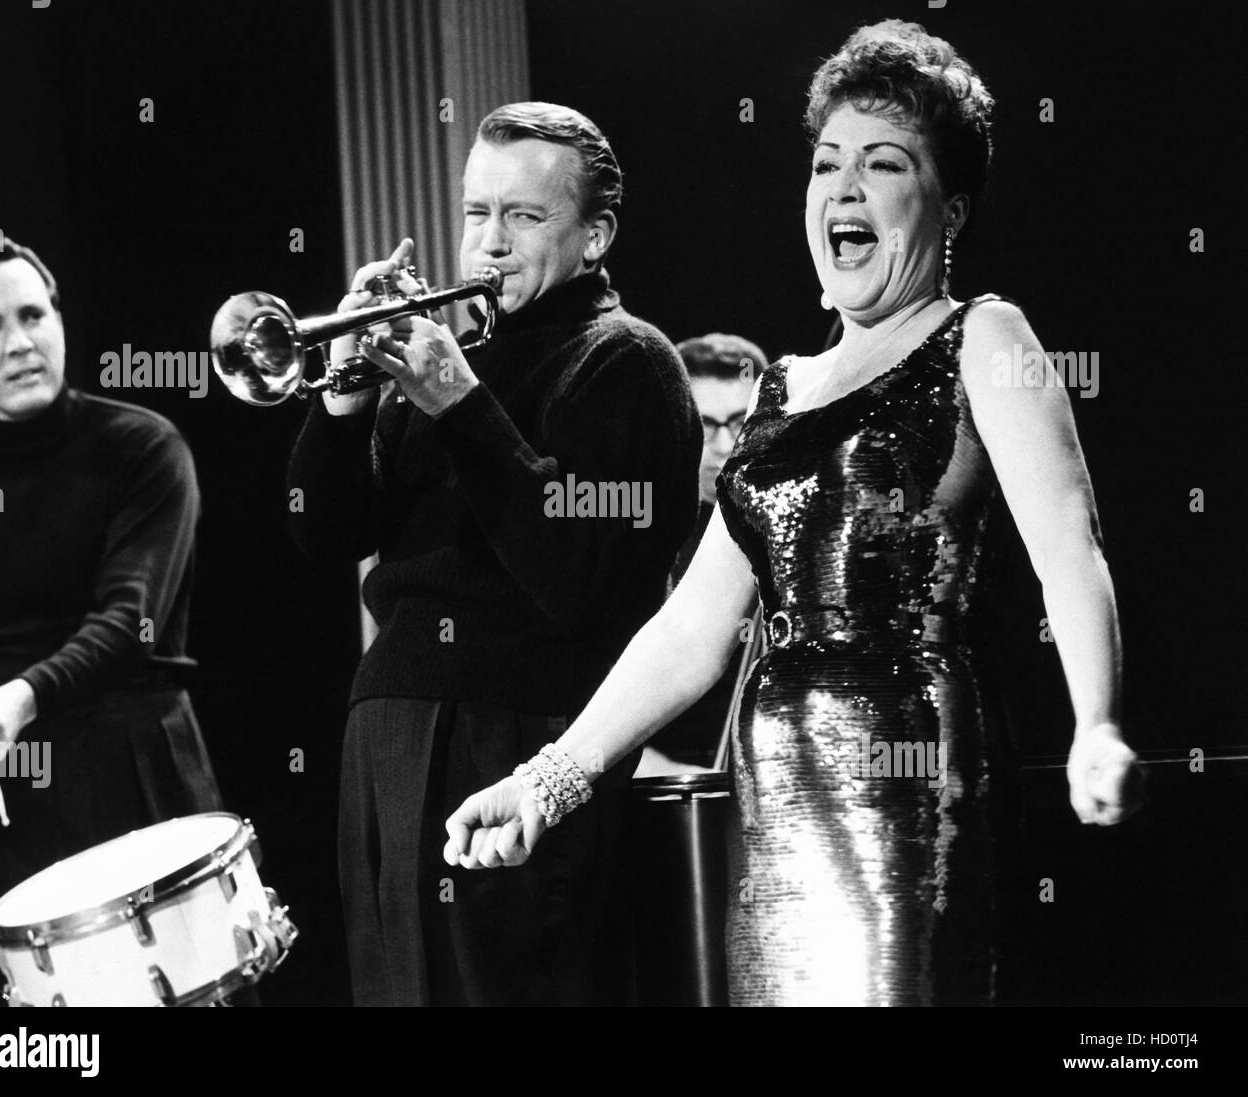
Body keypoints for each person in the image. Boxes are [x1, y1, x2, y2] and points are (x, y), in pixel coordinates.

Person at [444, 23, 1144, 1006]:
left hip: (913, 789)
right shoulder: (781, 389)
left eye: (883, 162)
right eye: (826, 164)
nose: (842, 186)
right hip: (775, 801)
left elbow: (1071, 549)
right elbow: (690, 627)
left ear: (948, 205)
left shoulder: (981, 336)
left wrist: (1098, 721)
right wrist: (547, 781)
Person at [286, 103, 701, 1005]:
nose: (490, 244)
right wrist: (346, 397)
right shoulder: (441, 367)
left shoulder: (629, 361)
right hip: (386, 731)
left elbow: (584, 581)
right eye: (478, 213)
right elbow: (320, 532)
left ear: (596, 236)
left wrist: (462, 407)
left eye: (525, 216)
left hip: (523, 734)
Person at [0, 236, 224, 1006]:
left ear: (61, 323)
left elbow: (129, 619)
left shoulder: (140, 445)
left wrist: (22, 695)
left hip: (131, 762)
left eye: (34, 314)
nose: (20, 341)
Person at [637, 333, 766, 775]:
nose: (725, 443)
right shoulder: (647, 541)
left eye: (740, 422)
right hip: (676, 791)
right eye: (706, 424)